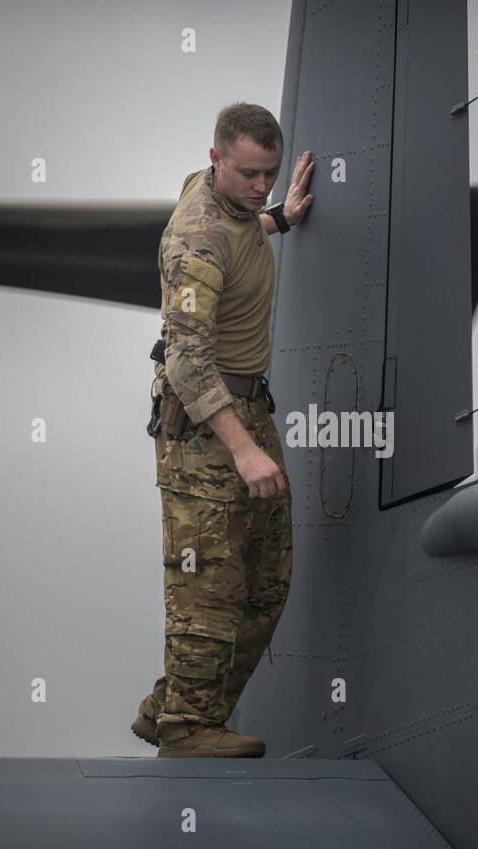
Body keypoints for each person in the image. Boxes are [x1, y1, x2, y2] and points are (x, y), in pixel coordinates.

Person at [131, 102, 314, 758]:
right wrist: (243, 451)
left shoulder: (233, 209)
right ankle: (186, 727)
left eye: (269, 173)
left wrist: (280, 219)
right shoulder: (196, 239)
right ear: (216, 160)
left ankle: (175, 703)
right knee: (208, 581)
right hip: (203, 428)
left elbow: (244, 225)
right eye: (248, 174)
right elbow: (184, 357)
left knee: (267, 580)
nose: (261, 185)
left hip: (247, 408)